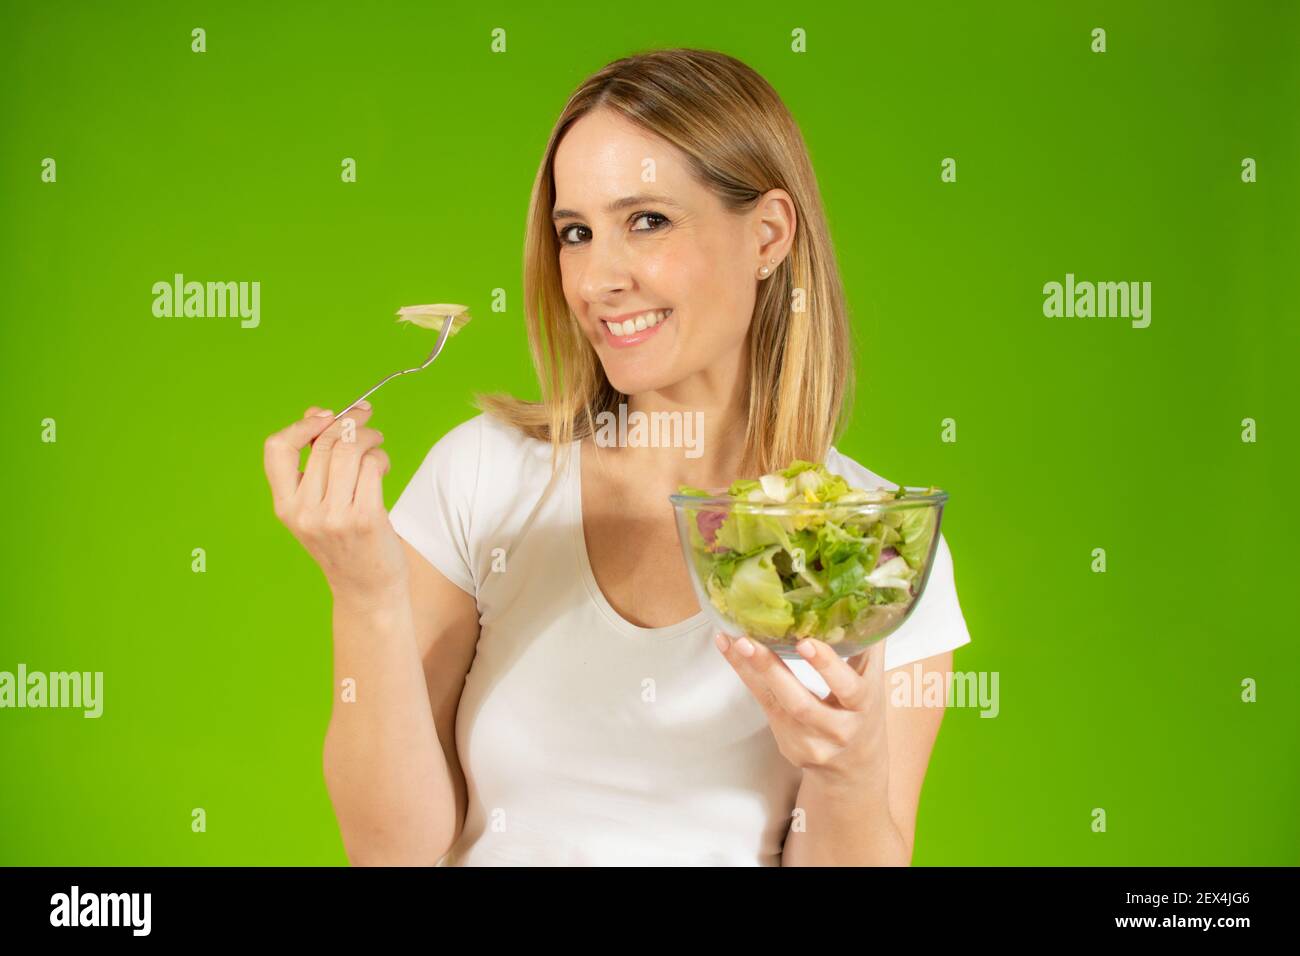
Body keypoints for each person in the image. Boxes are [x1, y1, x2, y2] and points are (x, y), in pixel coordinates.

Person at [262, 48, 972, 866]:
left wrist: (847, 769)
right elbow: (392, 855)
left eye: (648, 221)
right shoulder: (484, 478)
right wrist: (365, 592)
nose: (597, 280)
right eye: (575, 233)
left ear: (769, 235)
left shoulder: (865, 547)